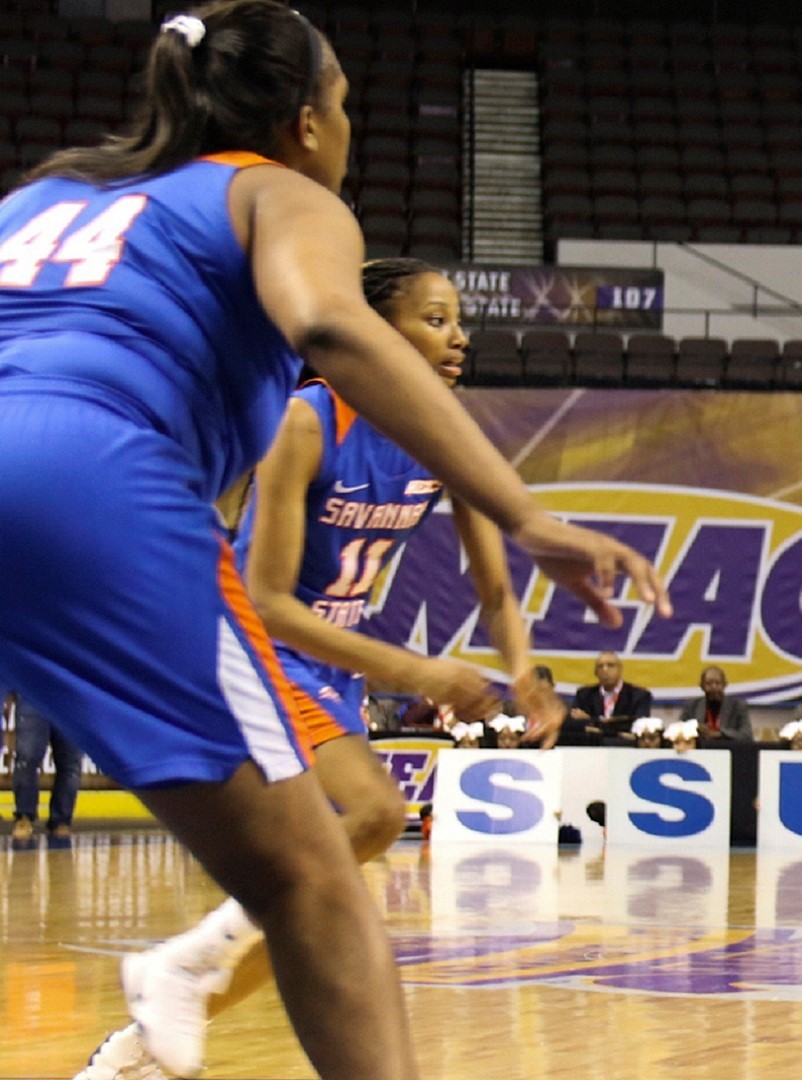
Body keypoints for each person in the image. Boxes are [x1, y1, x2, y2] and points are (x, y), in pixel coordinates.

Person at [2, 11, 662, 1074]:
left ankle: (168, 994)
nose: (348, 126)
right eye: (346, 103)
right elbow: (331, 327)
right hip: (94, 473)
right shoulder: (276, 192)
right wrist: (530, 512)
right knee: (312, 878)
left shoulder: (46, 195)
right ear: (307, 122)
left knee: (350, 825)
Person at [84, 257, 580, 1078]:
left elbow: (492, 580)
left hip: (327, 667)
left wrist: (524, 671)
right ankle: (175, 969)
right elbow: (269, 601)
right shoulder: (306, 422)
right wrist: (418, 673)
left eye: (458, 320)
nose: (458, 335)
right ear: (378, 332)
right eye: (434, 318)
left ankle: (144, 1042)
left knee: (319, 900)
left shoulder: (443, 429)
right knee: (377, 814)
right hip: (249, 643)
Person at [9, 693, 83, 845]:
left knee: (70, 764)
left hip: (72, 698)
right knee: (27, 758)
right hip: (33, 692)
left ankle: (61, 821)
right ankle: (24, 817)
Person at [566, 651, 651, 745]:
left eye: (610, 665)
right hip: (592, 747)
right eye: (600, 666)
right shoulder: (584, 694)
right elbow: (576, 725)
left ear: (620, 669)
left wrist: (592, 721)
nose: (605, 670)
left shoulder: (639, 695)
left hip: (625, 748)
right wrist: (615, 726)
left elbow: (636, 726)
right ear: (595, 672)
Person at [679, 666, 754, 743]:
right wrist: (695, 729)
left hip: (728, 750)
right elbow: (677, 731)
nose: (714, 687)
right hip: (700, 751)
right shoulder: (692, 705)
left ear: (725, 685)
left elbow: (747, 736)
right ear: (701, 686)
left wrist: (719, 734)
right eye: (709, 683)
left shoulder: (738, 706)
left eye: (717, 683)